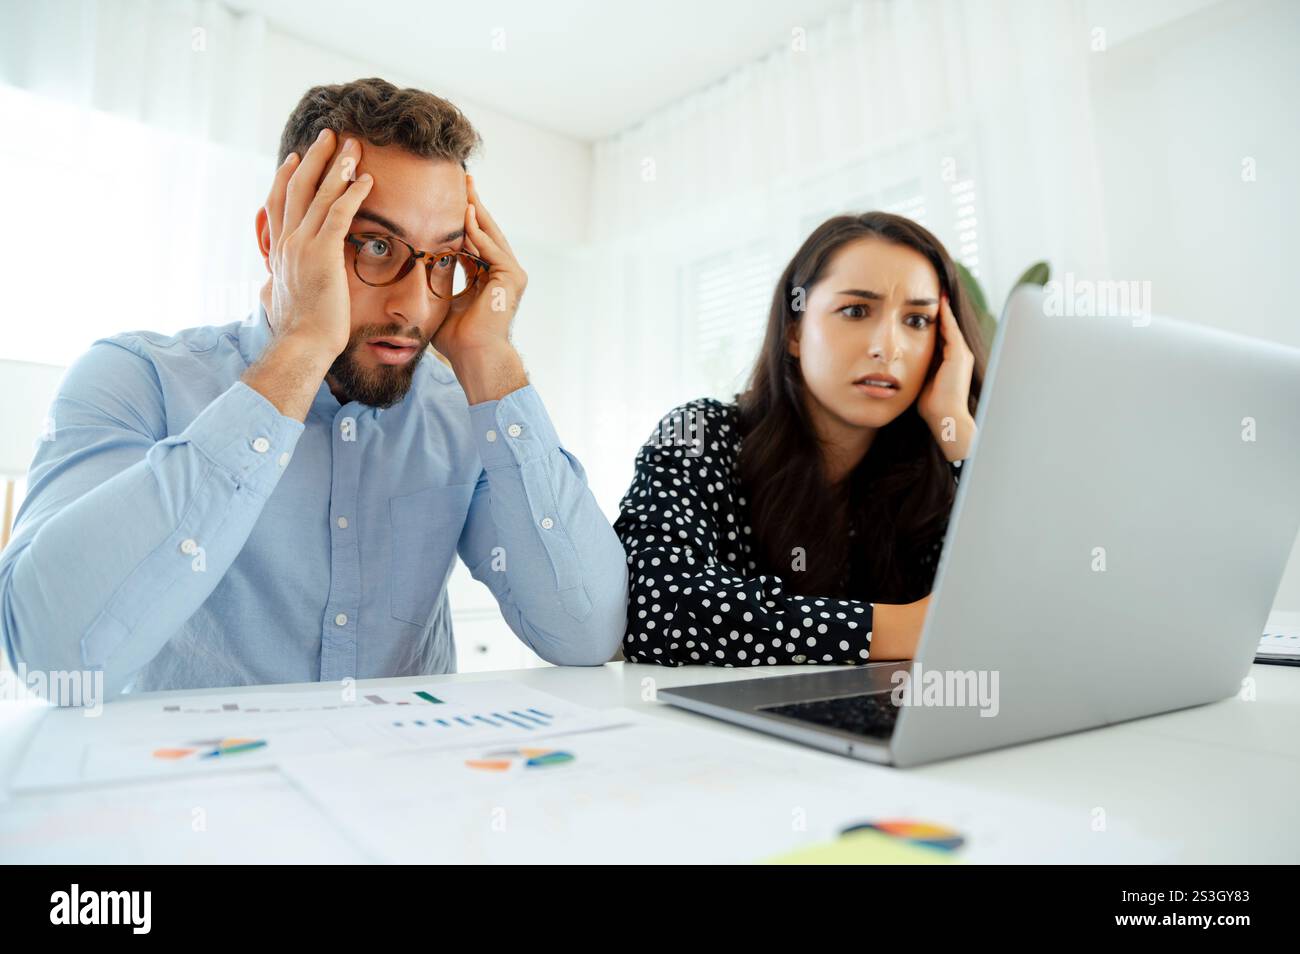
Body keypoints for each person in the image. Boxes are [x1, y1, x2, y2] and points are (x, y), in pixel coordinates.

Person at [0, 77, 627, 700]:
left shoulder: (462, 411)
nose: (415, 306)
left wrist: (492, 358)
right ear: (277, 240)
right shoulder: (134, 377)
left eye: (443, 259)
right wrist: (301, 347)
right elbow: (58, 660)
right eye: (376, 245)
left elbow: (586, 633)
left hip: (406, 788)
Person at [615, 212, 987, 666]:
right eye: (855, 311)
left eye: (917, 320)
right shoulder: (698, 433)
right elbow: (657, 611)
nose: (887, 348)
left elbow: (1022, 599)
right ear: (794, 331)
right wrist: (905, 629)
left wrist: (957, 426)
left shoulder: (934, 467)